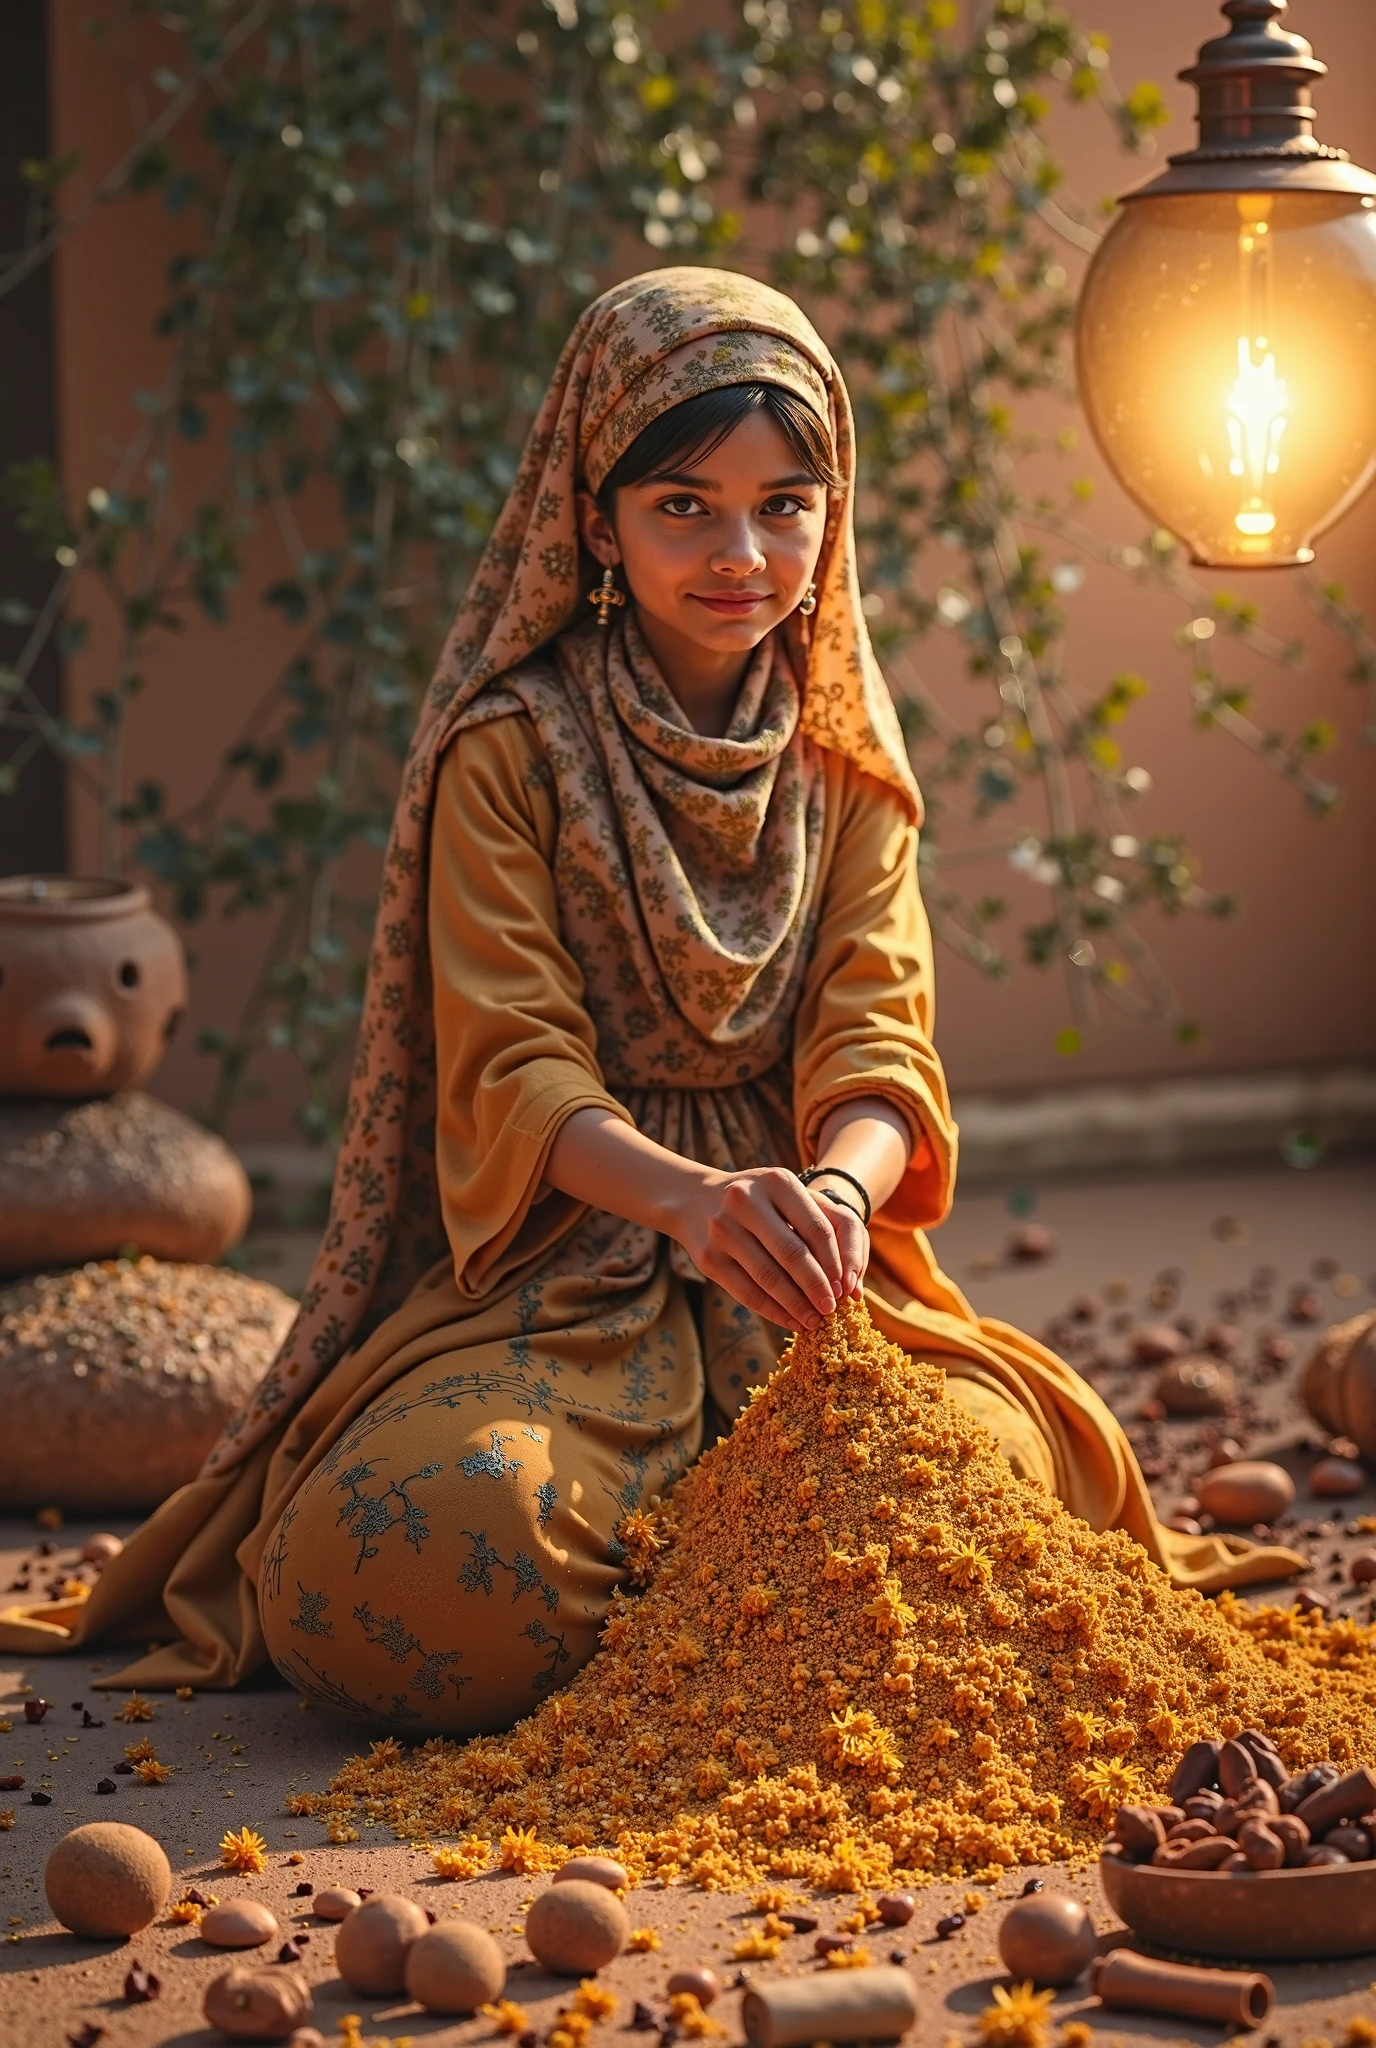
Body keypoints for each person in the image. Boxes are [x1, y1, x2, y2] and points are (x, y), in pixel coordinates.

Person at [0, 269, 1302, 1730]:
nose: (742, 551)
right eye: (685, 504)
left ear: (831, 510)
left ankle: (701, 1613)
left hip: (810, 1275)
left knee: (993, 1483)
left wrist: (830, 1198)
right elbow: (512, 1066)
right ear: (595, 517)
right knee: (407, 1567)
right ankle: (717, 1618)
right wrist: (690, 1203)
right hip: (572, 1265)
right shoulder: (513, 750)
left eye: (785, 503)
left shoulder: (846, 767)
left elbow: (879, 1038)